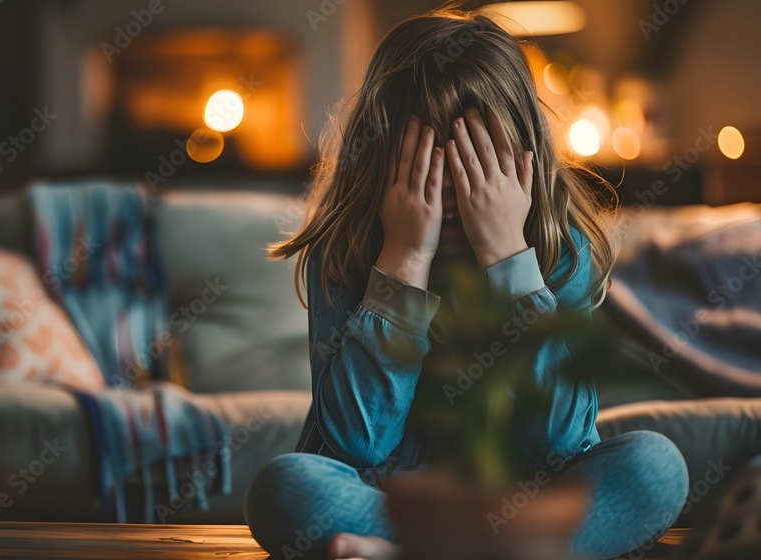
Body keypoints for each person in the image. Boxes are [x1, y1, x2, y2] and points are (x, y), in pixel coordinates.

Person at [246, 8, 689, 560]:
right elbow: (356, 441)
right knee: (285, 485)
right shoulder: (346, 252)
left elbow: (561, 441)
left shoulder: (559, 249)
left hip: (531, 502)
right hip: (393, 499)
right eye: (427, 160)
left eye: (478, 160)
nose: (455, 185)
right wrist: (403, 262)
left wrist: (509, 259)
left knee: (656, 465)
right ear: (381, 155)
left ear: (524, 156)